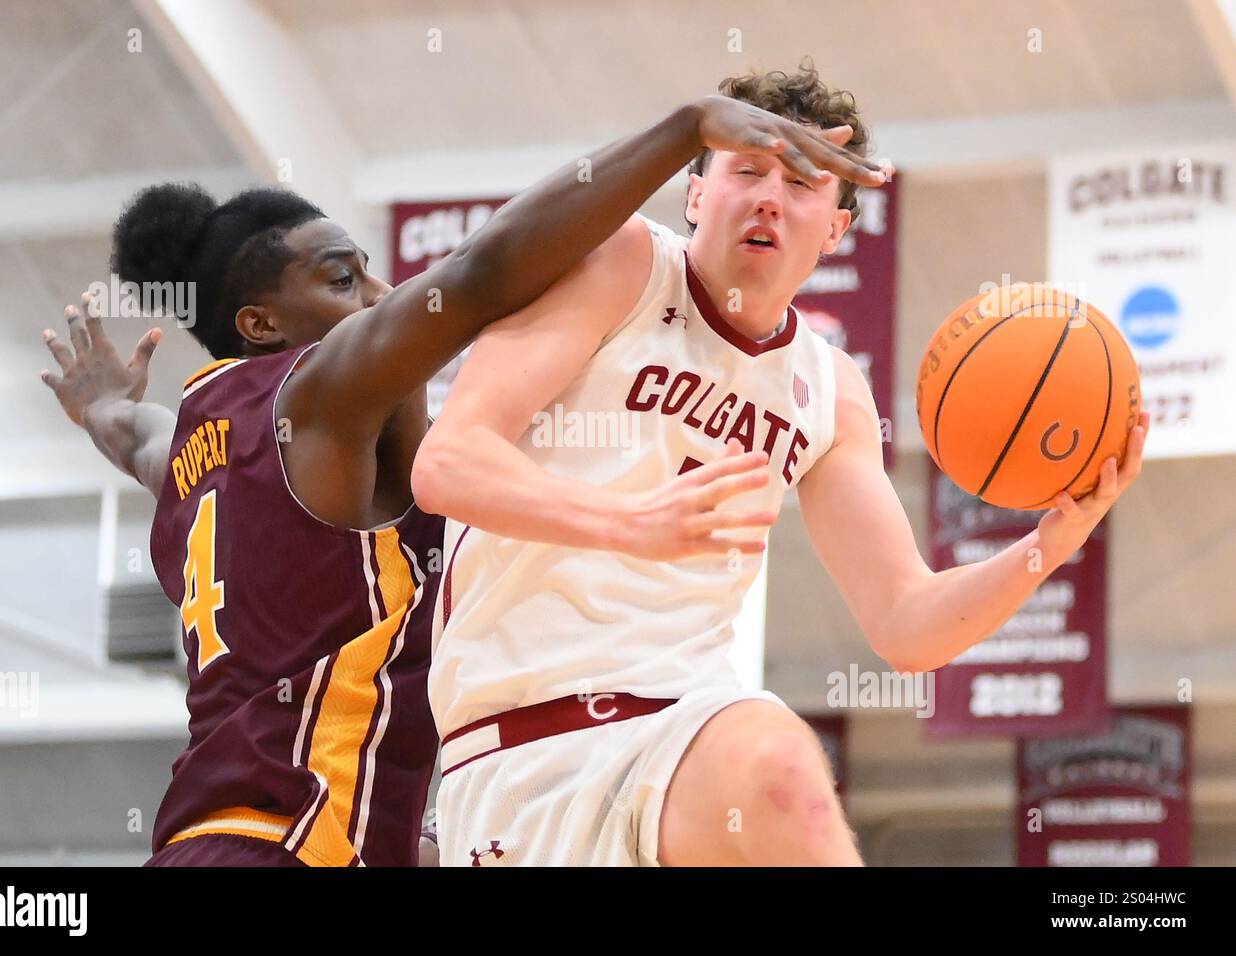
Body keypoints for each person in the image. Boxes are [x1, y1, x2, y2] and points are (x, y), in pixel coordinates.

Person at [40, 93, 888, 866]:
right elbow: (477, 276)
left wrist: (100, 406)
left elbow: (131, 434)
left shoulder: (191, 433)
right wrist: (683, 130)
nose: (383, 292)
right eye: (343, 279)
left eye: (371, 270)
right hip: (291, 841)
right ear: (262, 325)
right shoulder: (328, 394)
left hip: (206, 834)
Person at [411, 63, 1148, 866]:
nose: (770, 196)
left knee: (782, 768)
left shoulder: (829, 388)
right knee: (775, 763)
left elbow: (909, 624)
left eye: (801, 184)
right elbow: (448, 462)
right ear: (696, 195)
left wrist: (1053, 540)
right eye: (748, 169)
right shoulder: (623, 263)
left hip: (688, 728)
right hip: (529, 748)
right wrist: (632, 522)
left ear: (835, 229)